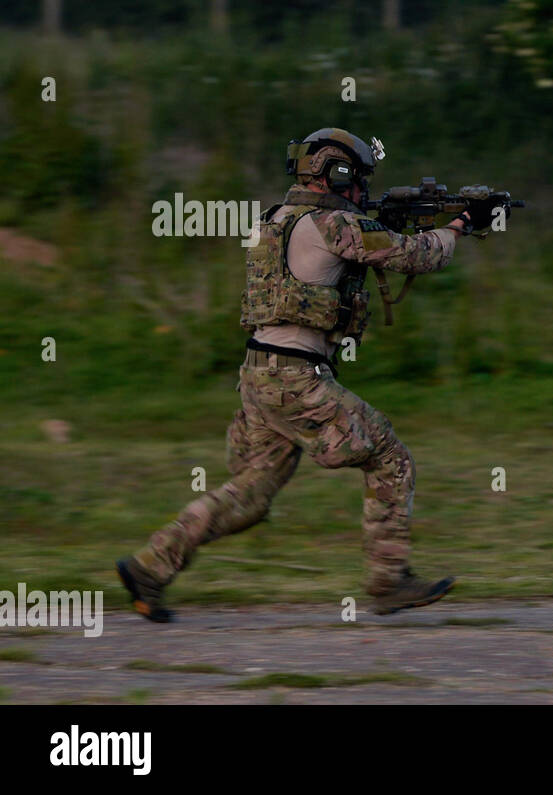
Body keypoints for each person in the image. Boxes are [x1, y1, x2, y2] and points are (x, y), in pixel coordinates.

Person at [117, 128, 490, 621]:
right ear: (334, 174)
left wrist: (390, 222)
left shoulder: (275, 219)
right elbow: (417, 255)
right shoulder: (333, 224)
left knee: (250, 495)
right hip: (295, 378)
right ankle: (387, 580)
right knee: (390, 457)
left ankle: (150, 567)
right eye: (356, 179)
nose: (361, 191)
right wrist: (460, 225)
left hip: (258, 372)